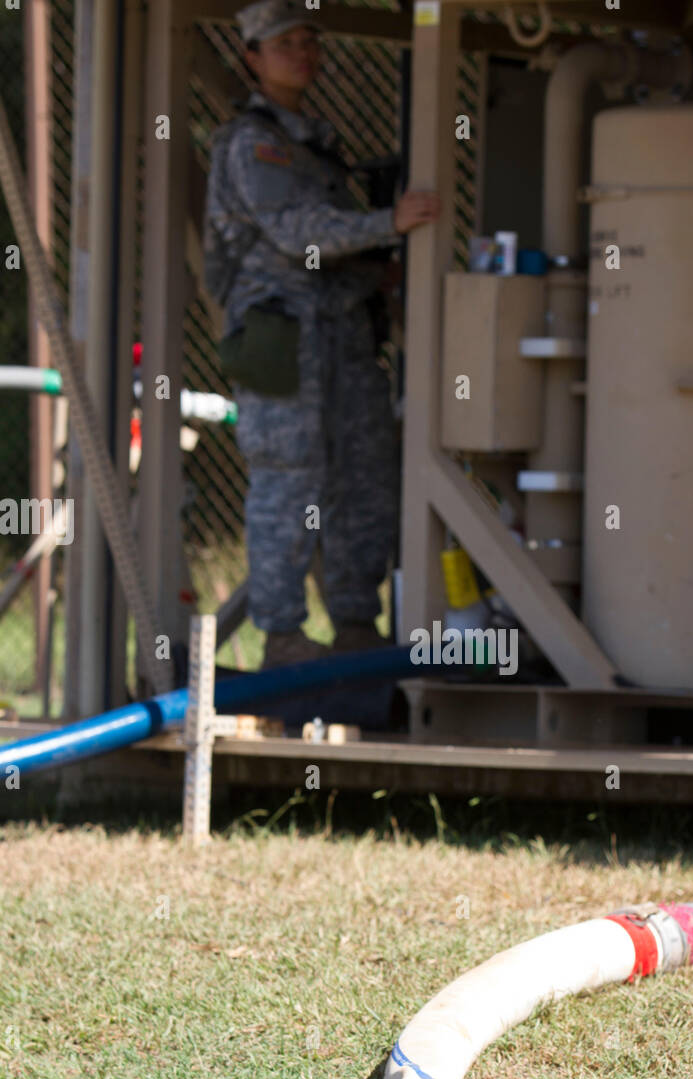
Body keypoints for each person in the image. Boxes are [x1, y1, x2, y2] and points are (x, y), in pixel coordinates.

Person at [203, 0, 440, 668]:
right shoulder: (253, 143)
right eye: (284, 44)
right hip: (285, 341)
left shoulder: (316, 143)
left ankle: (358, 625)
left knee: (364, 478)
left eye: (309, 41)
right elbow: (296, 234)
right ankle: (281, 637)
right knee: (289, 480)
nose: (302, 53)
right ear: (251, 56)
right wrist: (387, 225)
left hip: (343, 339)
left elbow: (326, 258)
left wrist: (375, 273)